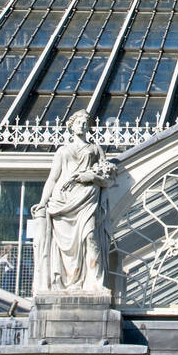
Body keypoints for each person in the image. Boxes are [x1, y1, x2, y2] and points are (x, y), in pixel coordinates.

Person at [32, 111, 117, 293]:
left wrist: (91, 177)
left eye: (85, 123)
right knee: (63, 246)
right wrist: (43, 202)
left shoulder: (95, 149)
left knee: (90, 236)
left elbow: (108, 179)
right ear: (71, 125)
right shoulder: (63, 151)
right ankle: (68, 282)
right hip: (63, 200)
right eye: (79, 122)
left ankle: (95, 282)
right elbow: (53, 178)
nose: (82, 125)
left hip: (87, 199)